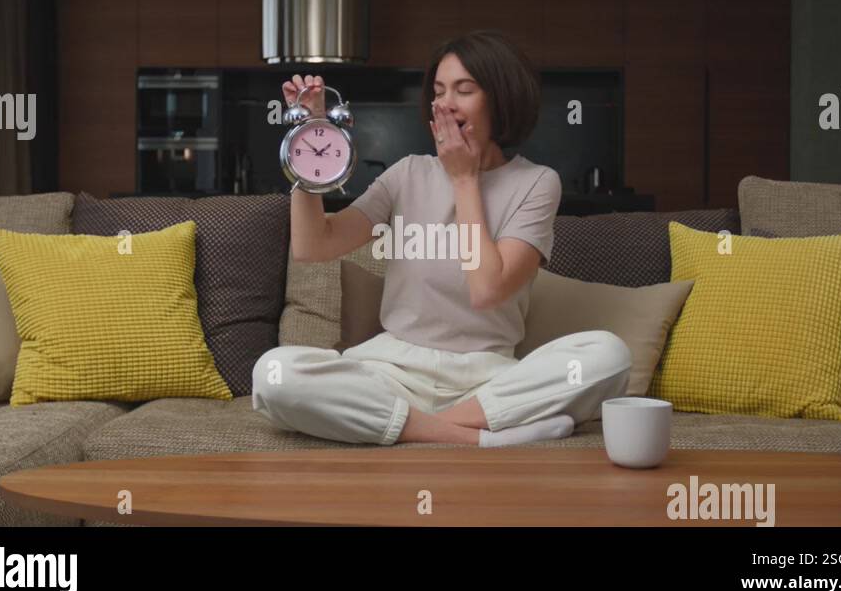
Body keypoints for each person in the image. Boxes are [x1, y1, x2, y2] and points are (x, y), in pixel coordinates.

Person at [253, 30, 631, 447]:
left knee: (609, 357)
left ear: (500, 99)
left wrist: (464, 179)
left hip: (486, 379)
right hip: (391, 369)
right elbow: (313, 246)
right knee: (275, 374)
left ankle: (414, 426)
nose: (445, 103)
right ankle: (470, 438)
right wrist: (311, 139)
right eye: (438, 90)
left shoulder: (537, 183)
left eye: (463, 90)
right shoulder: (408, 172)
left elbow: (487, 290)